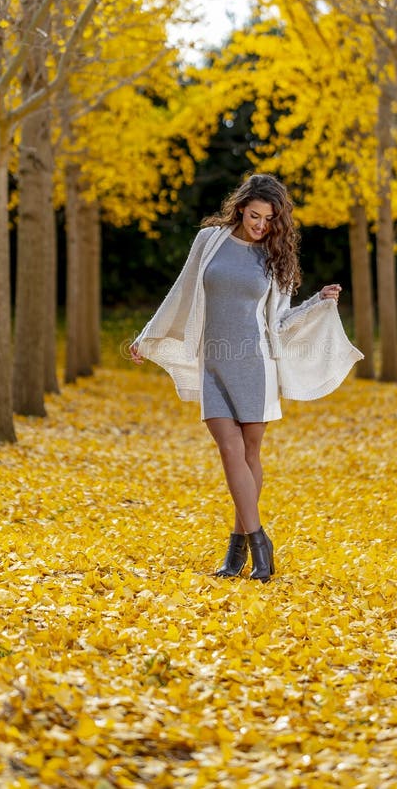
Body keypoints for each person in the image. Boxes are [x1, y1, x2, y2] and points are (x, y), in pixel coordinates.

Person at [129, 173, 363, 582]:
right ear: (240, 209)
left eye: (268, 219)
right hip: (214, 362)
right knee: (227, 449)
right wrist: (148, 335)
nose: (260, 225)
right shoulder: (210, 241)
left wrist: (316, 303)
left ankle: (237, 552)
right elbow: (182, 291)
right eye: (255, 216)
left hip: (255, 365)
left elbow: (279, 320)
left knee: (249, 455)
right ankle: (260, 541)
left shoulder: (273, 258)